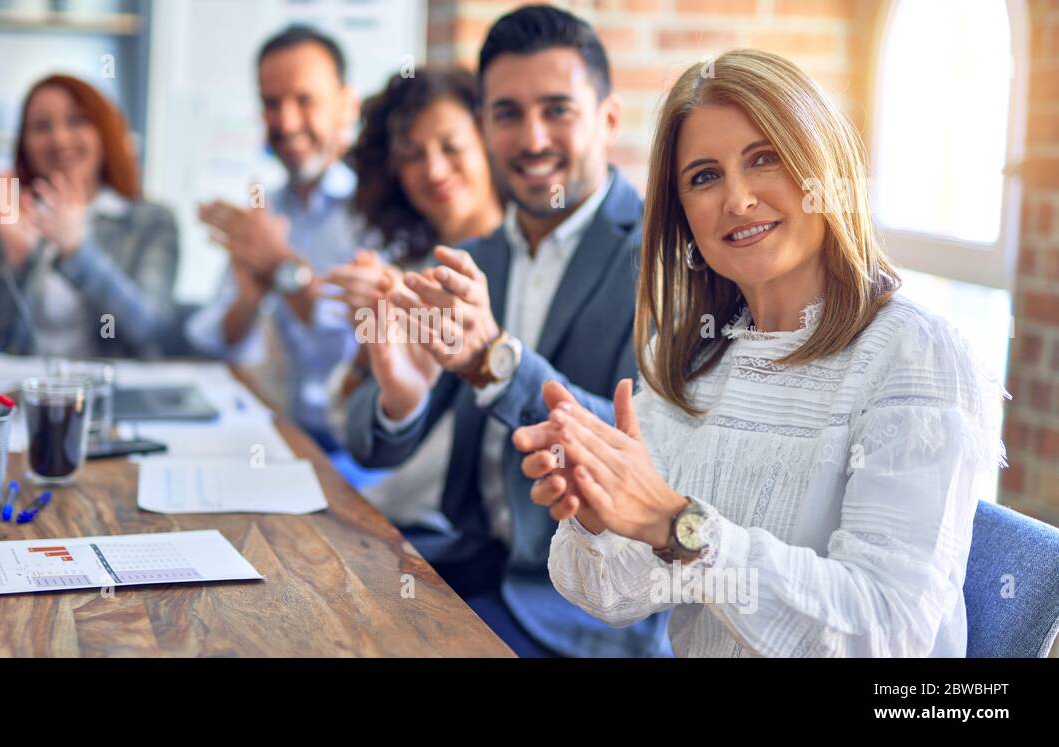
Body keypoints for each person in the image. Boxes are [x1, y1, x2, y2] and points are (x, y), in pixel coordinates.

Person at [514, 48, 1006, 657]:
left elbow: (885, 631)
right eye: (704, 176)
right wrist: (599, 511)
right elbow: (616, 598)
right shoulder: (693, 359)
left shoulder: (915, 355)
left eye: (764, 158)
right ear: (682, 215)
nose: (738, 199)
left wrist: (678, 526)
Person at [343, 5, 670, 658]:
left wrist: (498, 360)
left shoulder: (664, 260)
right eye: (507, 114)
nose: (531, 138)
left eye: (557, 110)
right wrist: (400, 399)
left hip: (575, 609)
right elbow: (370, 444)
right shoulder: (481, 255)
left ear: (608, 119)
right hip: (470, 565)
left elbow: (653, 452)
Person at [323, 66, 503, 530]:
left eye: (450, 146)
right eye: (412, 155)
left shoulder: (525, 261)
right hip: (392, 510)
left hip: (460, 530)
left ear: (488, 141)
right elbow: (352, 430)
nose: (434, 170)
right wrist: (372, 343)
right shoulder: (408, 271)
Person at [185, 24, 361, 451]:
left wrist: (283, 267)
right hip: (283, 437)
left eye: (304, 100)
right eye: (271, 103)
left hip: (358, 454)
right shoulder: (269, 210)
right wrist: (249, 298)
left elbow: (357, 342)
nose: (286, 121)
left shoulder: (377, 209)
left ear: (346, 105)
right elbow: (216, 337)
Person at [0, 74, 179, 358]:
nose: (59, 139)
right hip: (26, 391)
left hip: (113, 394)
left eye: (77, 121)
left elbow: (149, 330)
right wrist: (17, 264)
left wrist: (77, 252)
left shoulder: (151, 221)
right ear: (24, 143)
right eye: (41, 127)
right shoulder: (10, 215)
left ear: (104, 132)